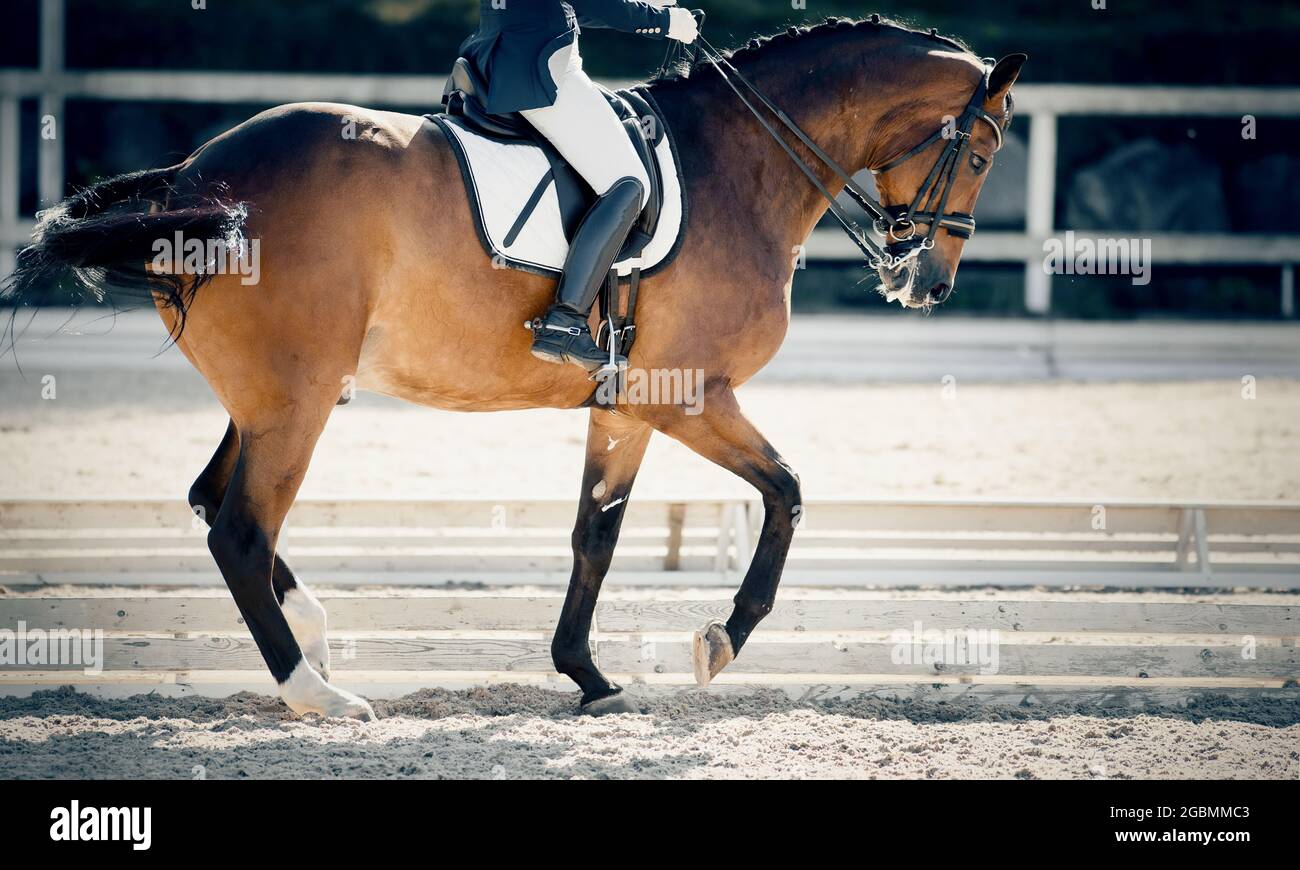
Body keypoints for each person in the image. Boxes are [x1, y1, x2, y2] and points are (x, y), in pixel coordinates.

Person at [459, 0, 699, 372]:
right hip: (538, 70)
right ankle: (566, 320)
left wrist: (645, 8)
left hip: (510, 52)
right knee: (629, 183)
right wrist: (663, 21)